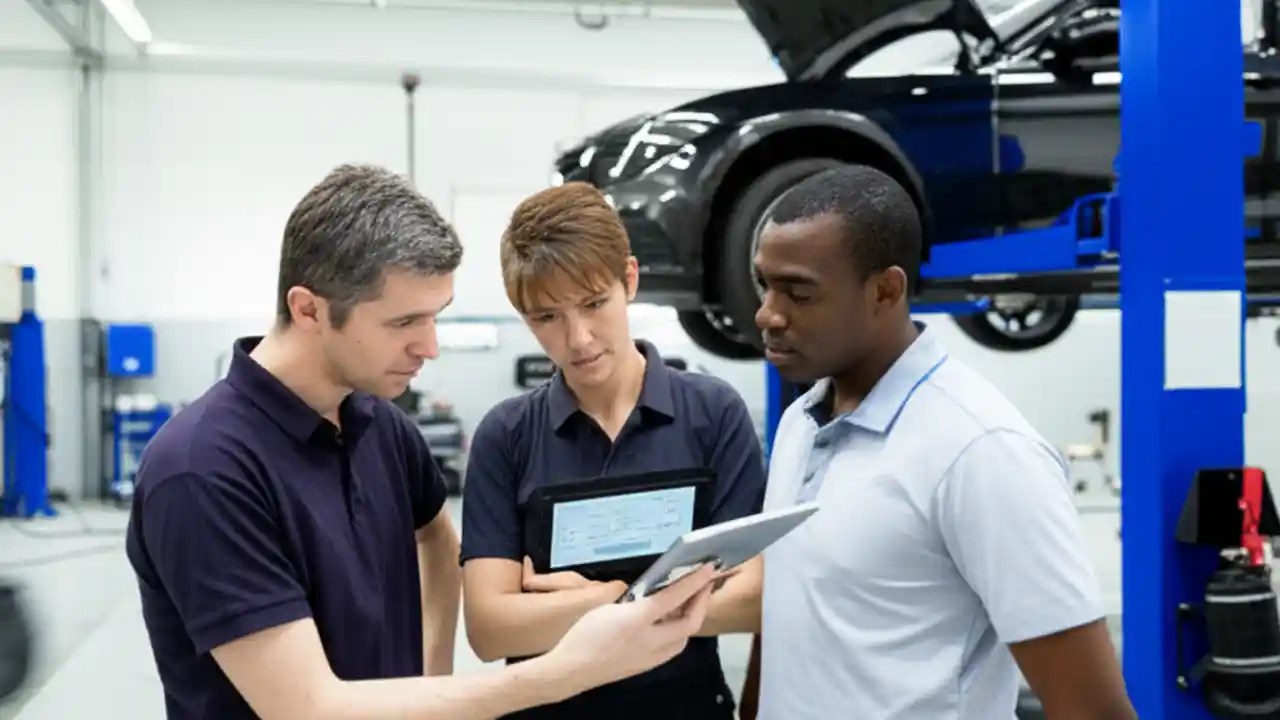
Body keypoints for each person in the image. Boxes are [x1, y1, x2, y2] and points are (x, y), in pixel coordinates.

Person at [123, 164, 722, 720]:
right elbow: (306, 708)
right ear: (309, 310)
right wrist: (569, 669)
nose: (429, 347)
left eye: (436, 316)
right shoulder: (202, 471)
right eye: (404, 323)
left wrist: (433, 679)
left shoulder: (381, 428)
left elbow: (438, 541)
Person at [743, 165, 1137, 719]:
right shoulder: (800, 423)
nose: (767, 314)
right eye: (765, 284)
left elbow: (1092, 708)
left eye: (799, 293)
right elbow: (793, 611)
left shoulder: (979, 452)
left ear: (886, 290)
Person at [459, 181, 766, 719]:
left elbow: (752, 600)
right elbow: (488, 630)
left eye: (594, 303)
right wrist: (669, 594)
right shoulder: (506, 436)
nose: (578, 338)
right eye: (547, 317)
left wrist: (601, 600)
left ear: (629, 278)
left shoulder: (713, 415)